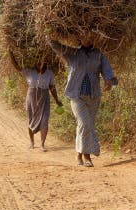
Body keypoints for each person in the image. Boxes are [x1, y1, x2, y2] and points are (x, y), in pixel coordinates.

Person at [47, 37, 118, 167]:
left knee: (86, 125)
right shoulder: (72, 53)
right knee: (84, 123)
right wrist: (49, 34)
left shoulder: (98, 54)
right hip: (76, 95)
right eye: (85, 36)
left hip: (93, 95)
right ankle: (87, 157)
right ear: (80, 38)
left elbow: (107, 71)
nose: (87, 39)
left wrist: (109, 81)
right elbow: (56, 46)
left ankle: (79, 154)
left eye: (90, 37)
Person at [7, 53, 62, 152]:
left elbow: (52, 87)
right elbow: (17, 67)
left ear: (46, 62)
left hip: (44, 98)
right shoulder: (29, 71)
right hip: (31, 97)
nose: (41, 64)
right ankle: (32, 142)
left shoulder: (49, 73)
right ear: (35, 62)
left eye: (43, 62)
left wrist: (57, 99)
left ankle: (42, 144)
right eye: (39, 62)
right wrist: (11, 54)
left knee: (44, 120)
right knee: (31, 120)